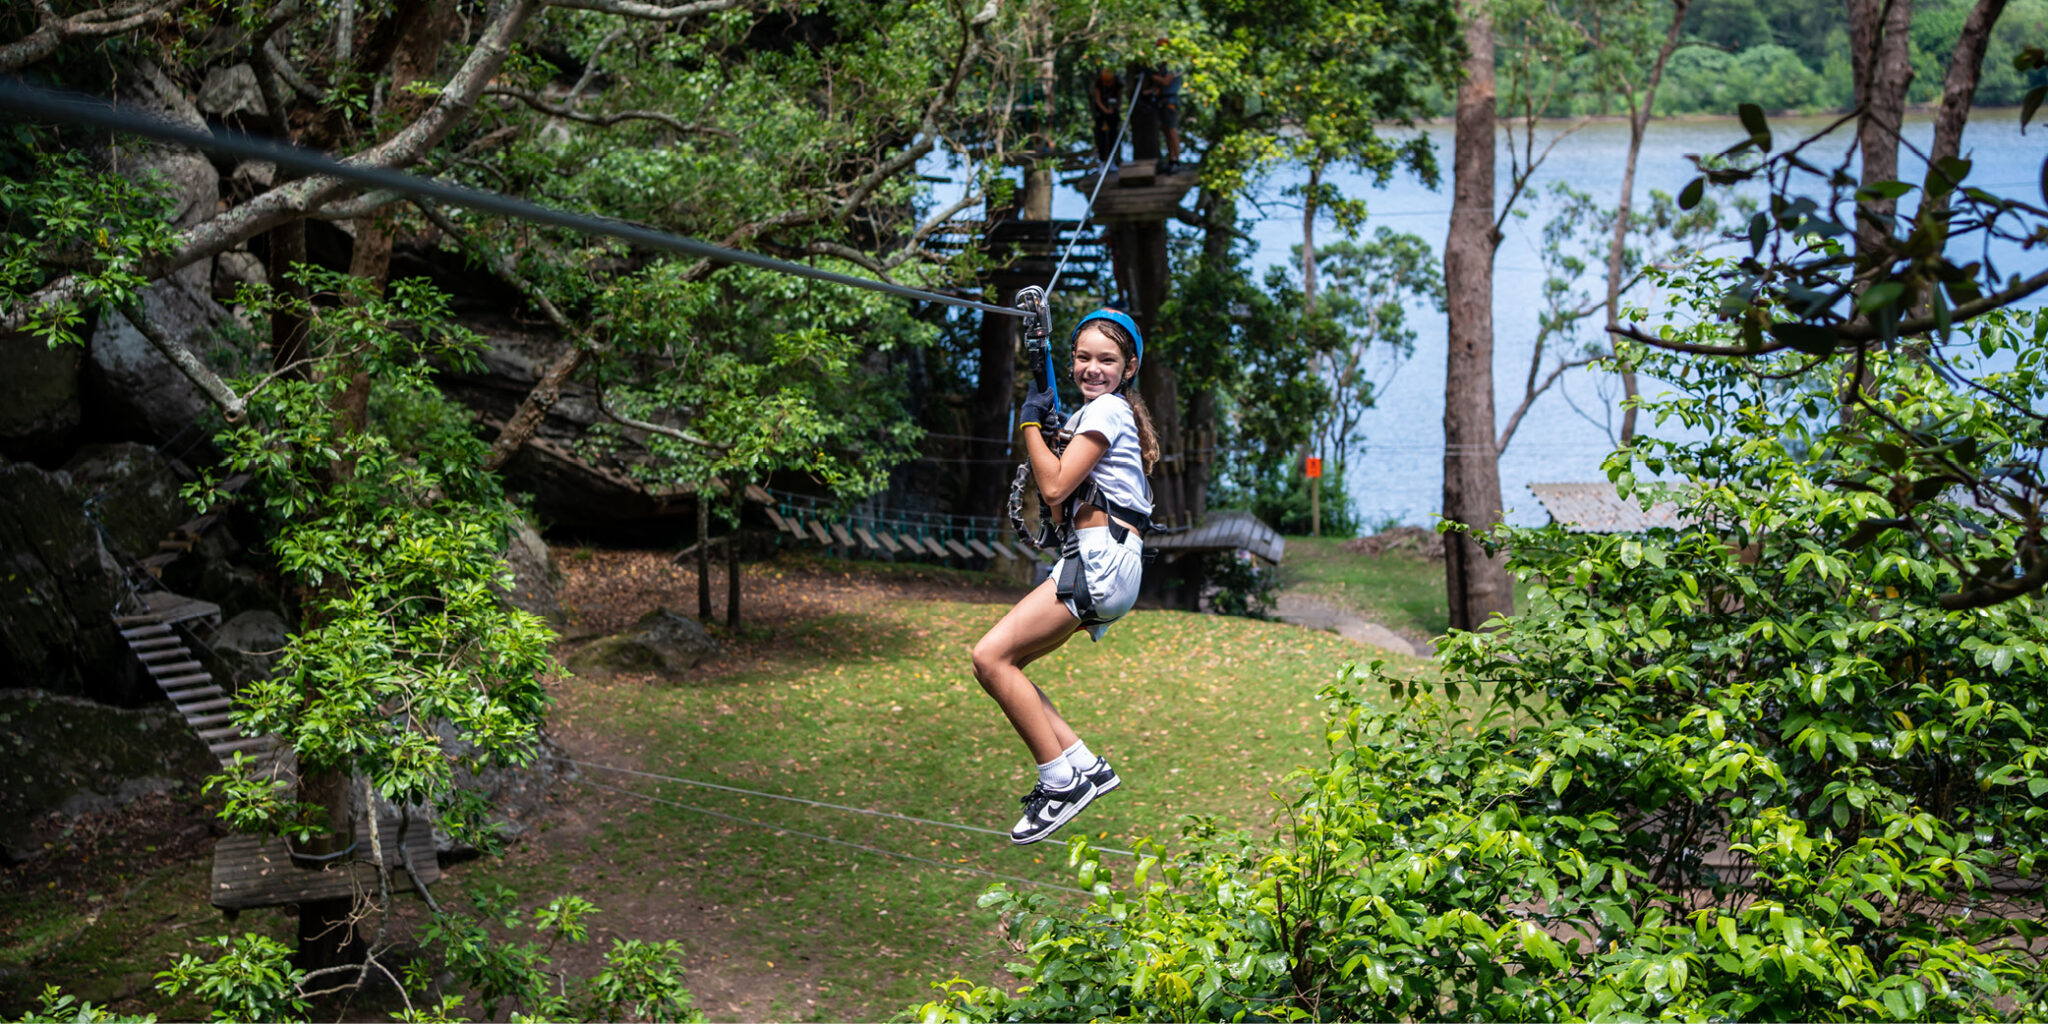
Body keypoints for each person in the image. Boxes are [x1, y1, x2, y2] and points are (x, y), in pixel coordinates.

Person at [972, 309, 1161, 845]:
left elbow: (1052, 490)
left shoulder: (1107, 411)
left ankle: (1060, 781)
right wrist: (1052, 436)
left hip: (1101, 563)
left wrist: (1029, 423)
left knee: (989, 657)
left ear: (1129, 368)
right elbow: (1060, 511)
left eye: (1107, 359)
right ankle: (1082, 764)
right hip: (1107, 565)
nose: (1092, 368)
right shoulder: (1095, 418)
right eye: (1082, 357)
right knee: (1009, 666)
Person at [1140, 44, 1182, 175]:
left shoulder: (1173, 65)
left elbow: (1166, 82)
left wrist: (1150, 74)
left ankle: (1176, 160)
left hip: (1170, 102)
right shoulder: (1162, 67)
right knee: (1166, 132)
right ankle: (1171, 159)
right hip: (1162, 101)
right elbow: (1159, 86)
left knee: (1172, 131)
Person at [1088, 68, 1123, 166]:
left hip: (1113, 113)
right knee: (1101, 137)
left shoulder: (1117, 83)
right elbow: (1098, 100)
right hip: (1101, 114)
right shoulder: (1099, 83)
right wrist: (1105, 110)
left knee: (1113, 136)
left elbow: (1120, 98)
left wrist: (1115, 108)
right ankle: (1102, 161)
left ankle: (1112, 161)